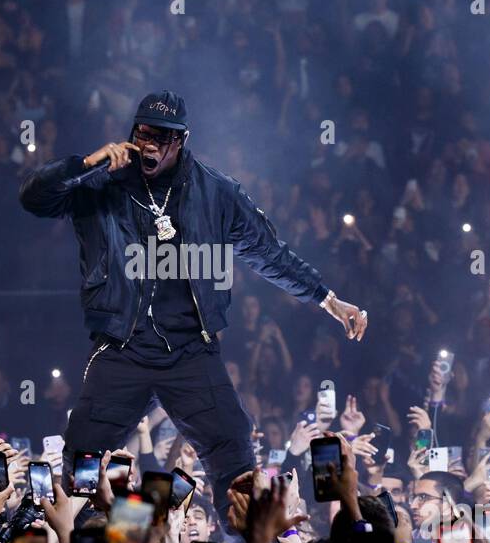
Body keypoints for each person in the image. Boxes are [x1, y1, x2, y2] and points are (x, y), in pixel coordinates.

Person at [19, 90, 368, 517]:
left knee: (235, 453)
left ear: (180, 141)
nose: (149, 144)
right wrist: (84, 165)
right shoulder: (99, 182)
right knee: (84, 463)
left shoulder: (216, 193)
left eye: (161, 137)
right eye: (143, 132)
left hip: (190, 352)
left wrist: (328, 299)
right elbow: (34, 198)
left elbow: (269, 252)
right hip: (121, 349)